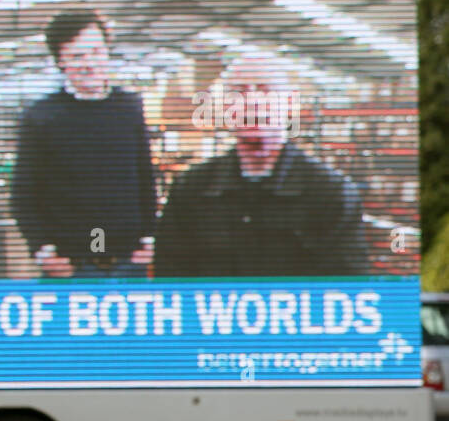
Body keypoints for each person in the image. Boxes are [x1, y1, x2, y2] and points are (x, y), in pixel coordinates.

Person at [153, 54, 368, 277]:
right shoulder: (190, 190)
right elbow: (170, 281)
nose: (252, 101)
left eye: (266, 90)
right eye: (239, 92)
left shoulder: (331, 193)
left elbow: (347, 288)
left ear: (289, 102)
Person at [11, 9, 156, 277]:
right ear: (60, 62)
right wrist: (43, 251)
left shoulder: (130, 109)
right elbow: (23, 193)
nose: (90, 63)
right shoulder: (42, 116)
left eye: (96, 52)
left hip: (129, 264)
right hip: (70, 268)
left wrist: (149, 240)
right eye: (77, 56)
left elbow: (146, 180)